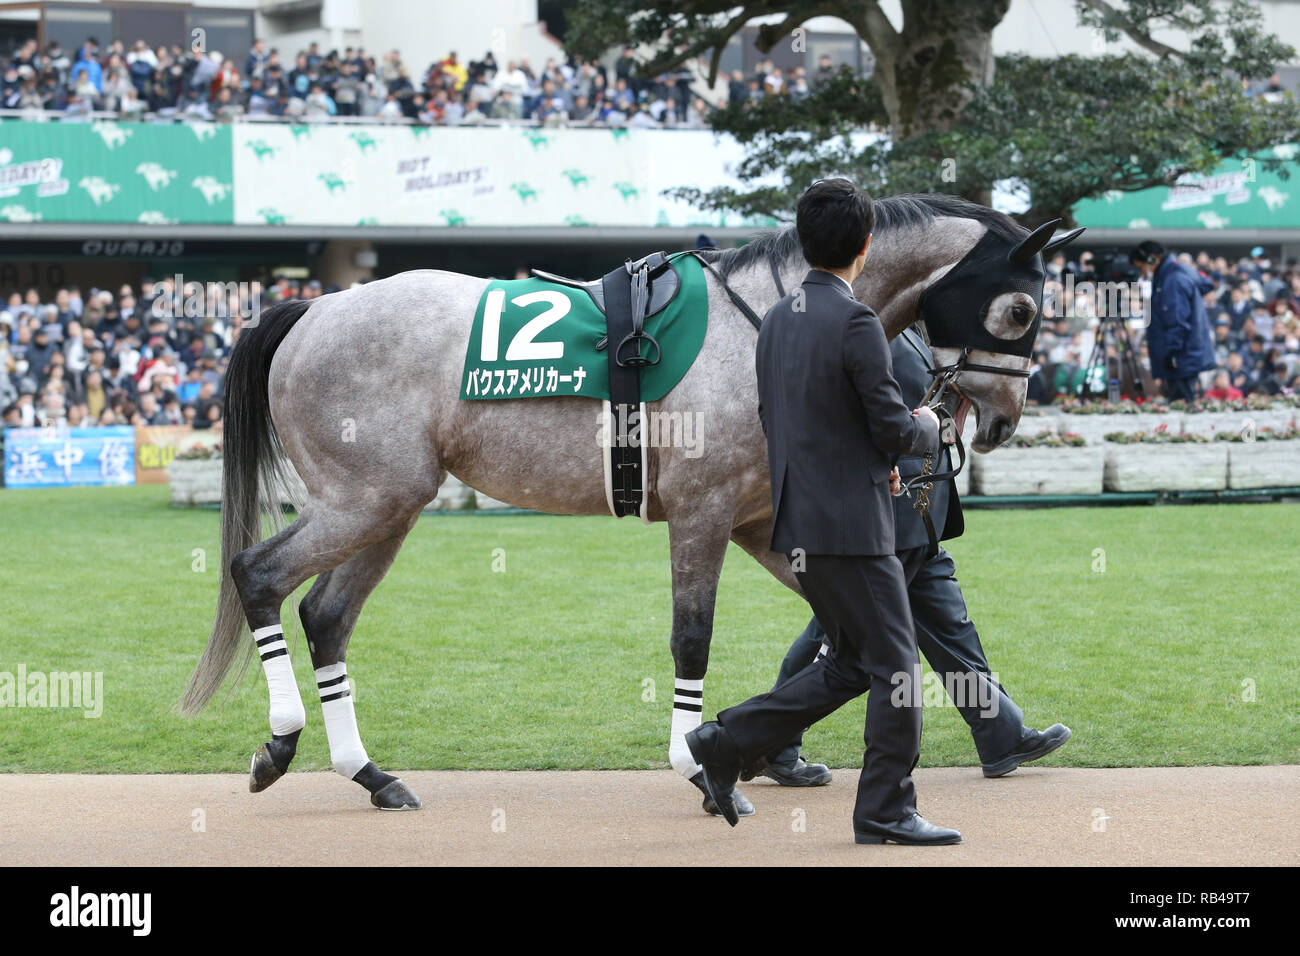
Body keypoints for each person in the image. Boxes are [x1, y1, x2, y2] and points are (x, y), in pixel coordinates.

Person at [686, 178, 960, 846]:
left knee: (849, 664)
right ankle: (886, 811)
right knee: (896, 669)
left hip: (800, 521)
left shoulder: (778, 317)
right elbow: (894, 428)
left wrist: (871, 451)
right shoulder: (859, 321)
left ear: (803, 240)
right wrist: (927, 425)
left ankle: (726, 741)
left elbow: (783, 418)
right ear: (865, 246)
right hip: (853, 527)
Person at [751, 324, 1072, 788]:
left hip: (923, 513)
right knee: (834, 634)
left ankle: (1001, 733)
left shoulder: (912, 329)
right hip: (890, 517)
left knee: (950, 628)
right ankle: (770, 741)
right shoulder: (873, 330)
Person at [1130, 240, 1215, 402]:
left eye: (1141, 267)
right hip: (1183, 356)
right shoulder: (1169, 276)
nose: (1142, 273)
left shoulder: (1173, 280)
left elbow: (1176, 320)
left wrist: (1172, 353)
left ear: (1152, 259)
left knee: (1181, 407)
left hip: (1181, 358)